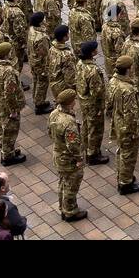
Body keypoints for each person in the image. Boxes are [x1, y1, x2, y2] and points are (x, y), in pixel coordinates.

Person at [107, 54, 139, 195]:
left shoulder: (113, 81)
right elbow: (131, 114)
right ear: (129, 69)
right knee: (129, 154)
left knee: (122, 151)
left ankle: (122, 175)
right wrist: (134, 131)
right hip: (127, 126)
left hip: (118, 121)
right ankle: (125, 182)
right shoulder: (127, 89)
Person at [49, 89, 88, 222]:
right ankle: (70, 212)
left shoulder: (54, 114)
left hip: (58, 154)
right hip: (68, 159)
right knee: (72, 184)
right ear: (71, 103)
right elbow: (73, 144)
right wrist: (79, 158)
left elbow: (50, 132)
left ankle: (63, 207)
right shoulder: (68, 122)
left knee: (63, 182)